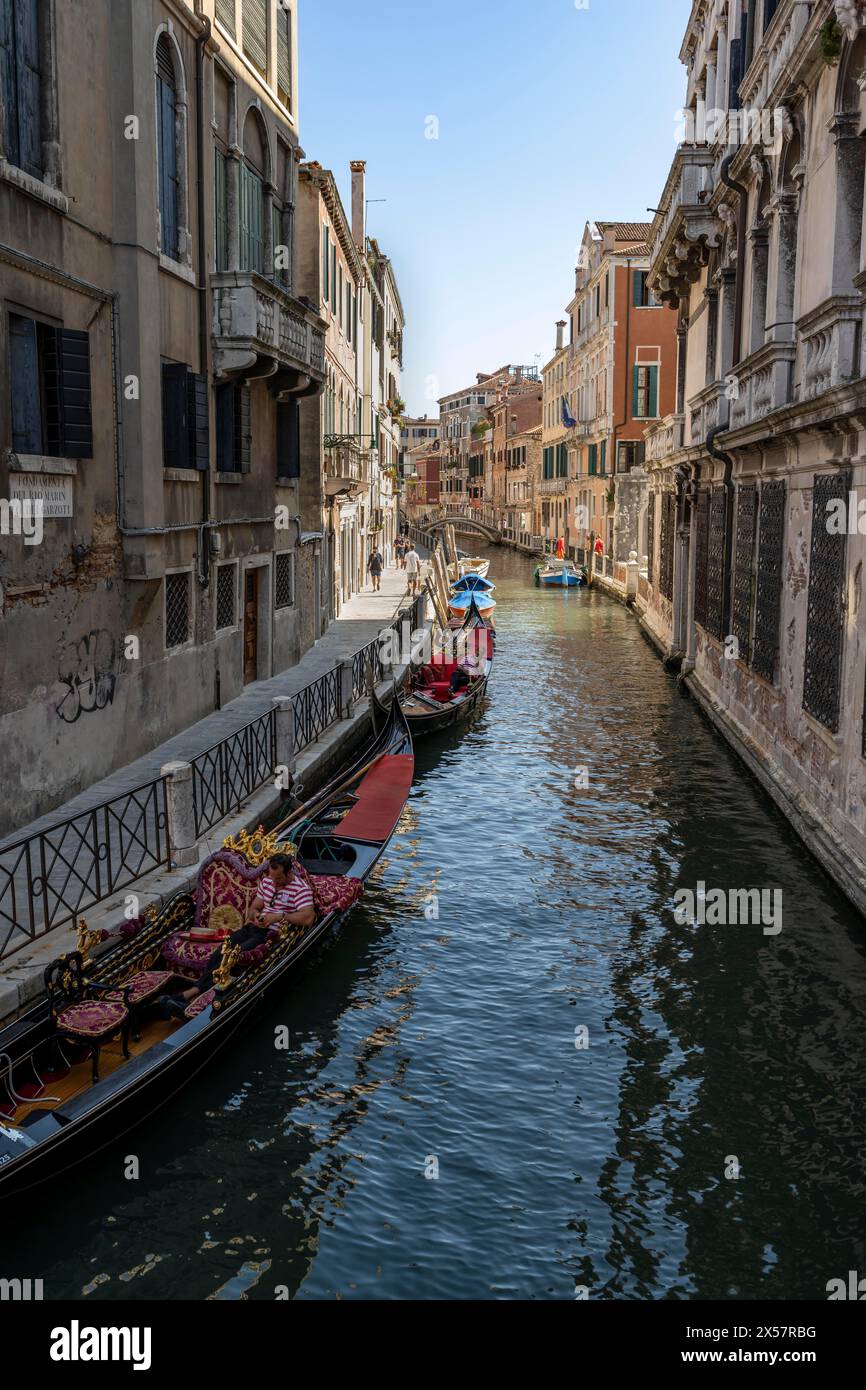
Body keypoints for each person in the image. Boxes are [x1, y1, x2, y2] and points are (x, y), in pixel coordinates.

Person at [157, 854, 316, 1019]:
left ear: (289, 873)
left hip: (271, 935)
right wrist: (256, 916)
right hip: (253, 928)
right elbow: (254, 908)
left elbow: (308, 917)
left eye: (278, 878)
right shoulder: (268, 882)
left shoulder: (300, 889)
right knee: (219, 953)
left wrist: (279, 916)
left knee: (232, 959)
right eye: (272, 877)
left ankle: (189, 997)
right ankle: (191, 996)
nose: (274, 882)